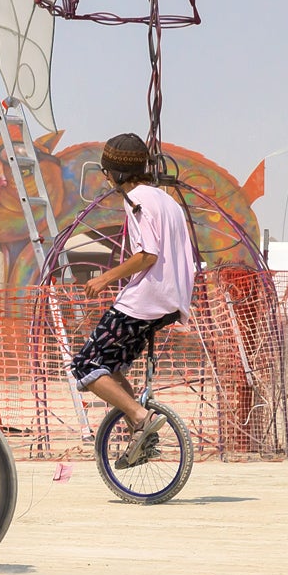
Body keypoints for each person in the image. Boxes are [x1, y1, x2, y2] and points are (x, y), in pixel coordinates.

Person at [71, 132, 198, 467]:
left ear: (117, 173)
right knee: (108, 366)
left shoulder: (136, 201)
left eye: (106, 172)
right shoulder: (167, 199)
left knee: (85, 365)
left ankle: (140, 418)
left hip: (145, 299)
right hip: (172, 300)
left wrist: (104, 278)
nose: (106, 178)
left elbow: (147, 255)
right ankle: (141, 432)